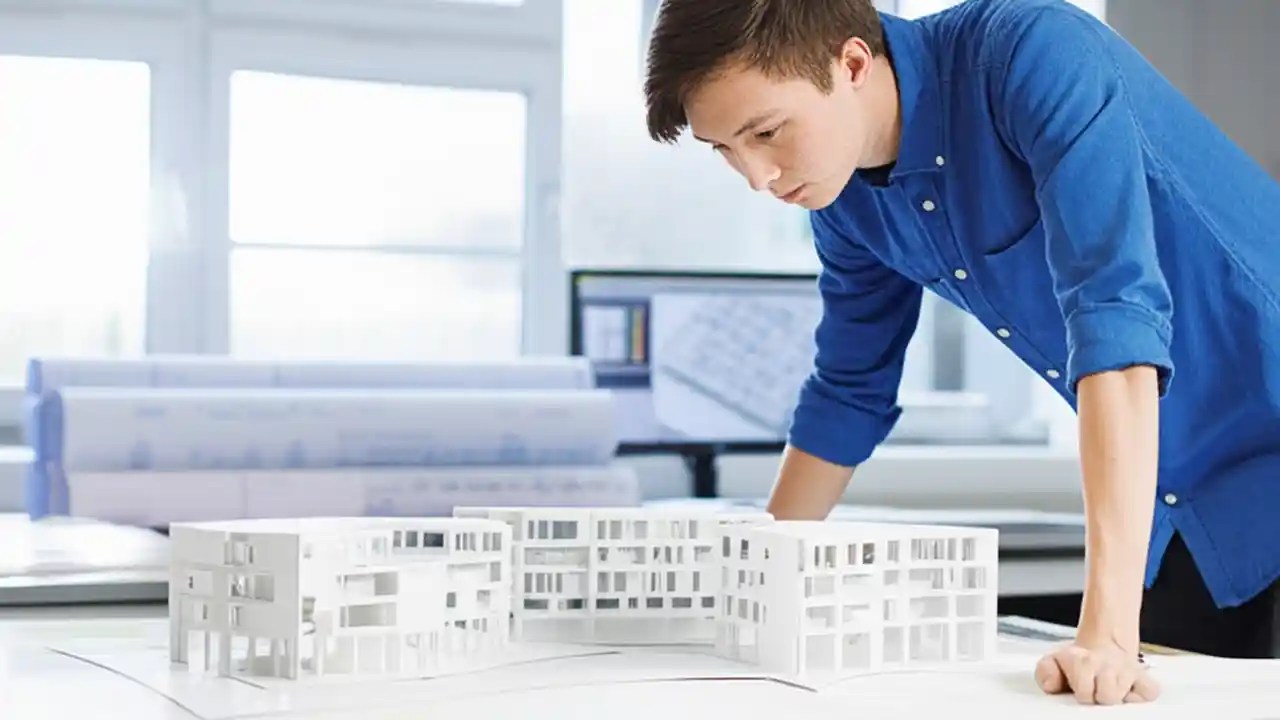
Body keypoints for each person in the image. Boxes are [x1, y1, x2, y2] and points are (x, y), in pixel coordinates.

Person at [643, 0, 1280, 706]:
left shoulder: (1030, 57)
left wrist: (1105, 635)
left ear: (850, 63)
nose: (756, 176)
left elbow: (1115, 321)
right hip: (1188, 496)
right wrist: (756, 585)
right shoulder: (845, 203)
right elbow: (848, 391)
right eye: (726, 150)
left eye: (765, 132)